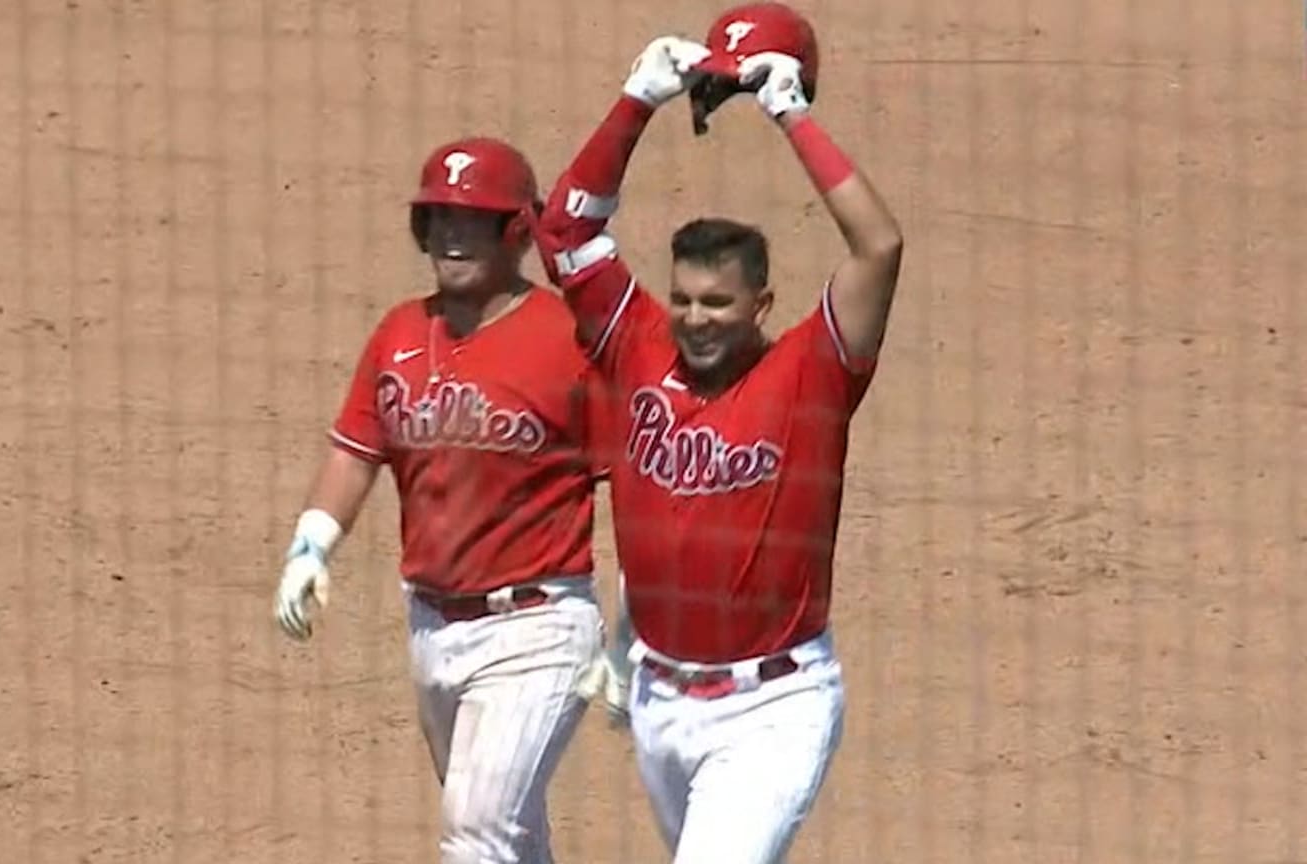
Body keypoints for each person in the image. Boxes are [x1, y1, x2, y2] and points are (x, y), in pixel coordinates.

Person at [532, 3, 905, 861]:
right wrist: (635, 102)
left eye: (719, 304)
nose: (697, 319)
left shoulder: (811, 373)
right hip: (659, 700)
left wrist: (792, 115)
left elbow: (878, 248)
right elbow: (566, 231)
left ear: (762, 307)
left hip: (775, 706)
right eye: (686, 299)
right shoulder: (636, 344)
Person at [273, 136, 611, 864]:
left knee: (476, 831)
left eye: (475, 220)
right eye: (440, 220)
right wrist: (310, 547)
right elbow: (356, 449)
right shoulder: (399, 332)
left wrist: (640, 626)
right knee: (509, 836)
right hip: (432, 628)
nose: (453, 237)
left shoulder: (568, 341)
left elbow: (641, 486)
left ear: (516, 231)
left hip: (538, 627)